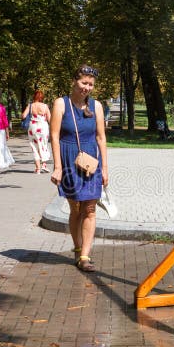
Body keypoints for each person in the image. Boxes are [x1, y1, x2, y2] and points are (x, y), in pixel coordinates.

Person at [50, 64, 109, 273]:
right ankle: (77, 248)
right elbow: (54, 136)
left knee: (90, 209)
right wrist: (57, 166)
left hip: (91, 161)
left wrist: (105, 169)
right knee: (76, 208)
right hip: (69, 160)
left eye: (91, 84)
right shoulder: (60, 104)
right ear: (75, 81)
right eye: (84, 83)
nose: (87, 87)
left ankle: (85, 256)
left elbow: (101, 138)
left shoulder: (97, 107)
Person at [21, 90, 51, 174]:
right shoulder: (45, 106)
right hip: (43, 128)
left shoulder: (30, 105)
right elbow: (50, 119)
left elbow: (23, 116)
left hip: (33, 128)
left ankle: (37, 168)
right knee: (43, 145)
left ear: (34, 96)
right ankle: (44, 165)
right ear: (42, 97)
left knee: (34, 146)